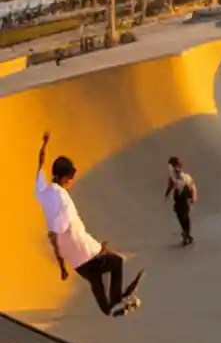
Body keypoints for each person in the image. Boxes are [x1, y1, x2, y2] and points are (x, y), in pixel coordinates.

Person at [34, 132, 144, 317]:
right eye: (70, 178)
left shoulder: (42, 191)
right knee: (116, 262)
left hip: (73, 258)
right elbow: (57, 232)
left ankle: (108, 309)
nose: (71, 182)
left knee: (95, 279)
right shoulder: (62, 200)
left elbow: (39, 164)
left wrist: (44, 145)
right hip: (82, 250)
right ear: (62, 178)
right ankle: (115, 300)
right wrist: (99, 249)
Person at [163, 156, 198, 246]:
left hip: (182, 198)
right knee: (183, 216)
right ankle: (187, 234)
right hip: (180, 199)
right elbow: (171, 185)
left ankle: (186, 234)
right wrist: (167, 194)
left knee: (183, 216)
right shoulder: (175, 176)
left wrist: (193, 196)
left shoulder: (183, 176)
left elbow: (191, 185)